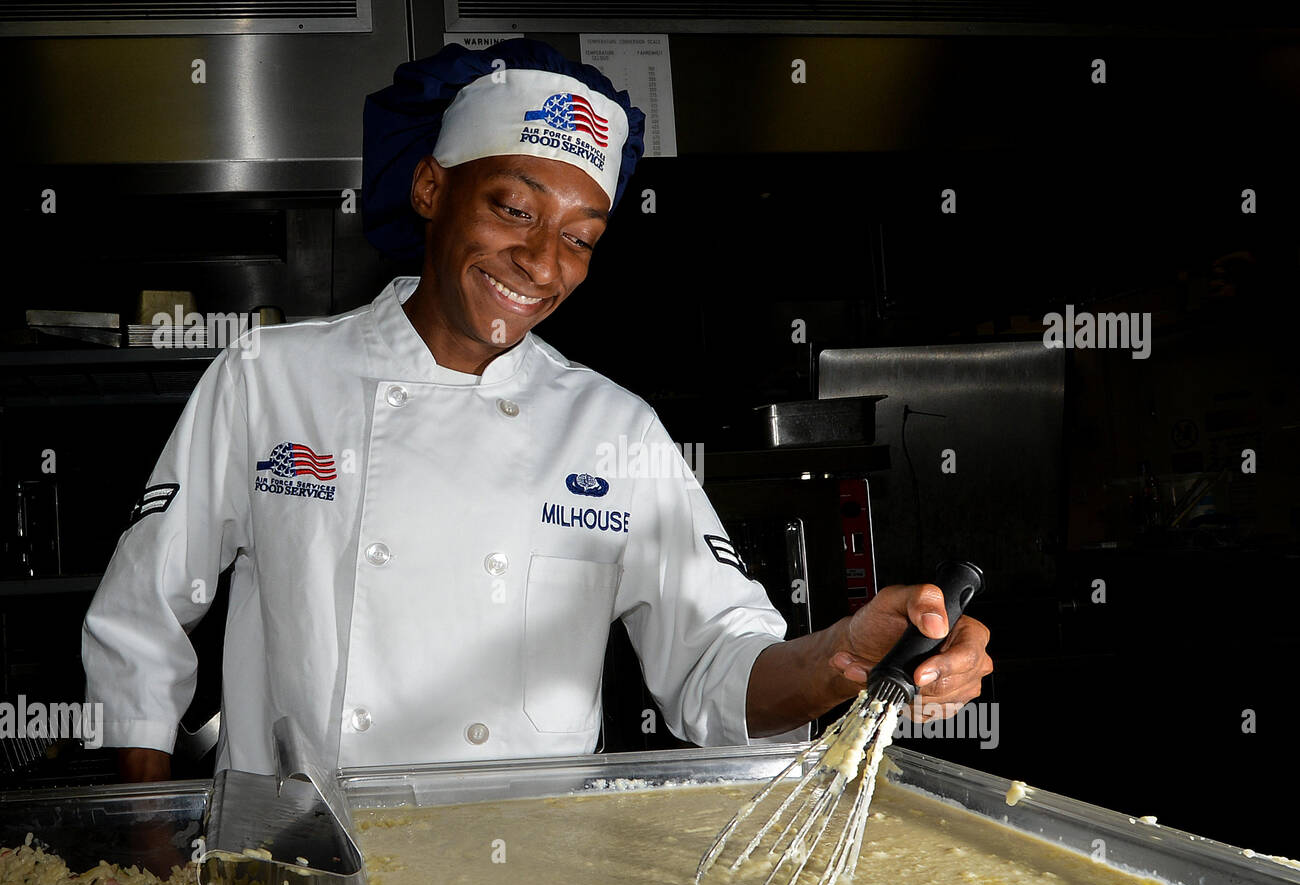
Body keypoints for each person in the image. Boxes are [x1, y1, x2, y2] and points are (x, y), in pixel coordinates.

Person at [84, 40, 992, 782]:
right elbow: (142, 613)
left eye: (580, 239)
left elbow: (718, 668)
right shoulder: (266, 380)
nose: (540, 262)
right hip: (299, 872)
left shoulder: (612, 429)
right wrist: (150, 827)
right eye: (512, 208)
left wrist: (845, 657)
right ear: (434, 189)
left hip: (517, 882)